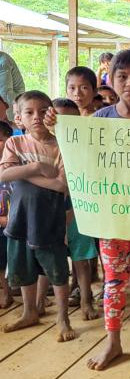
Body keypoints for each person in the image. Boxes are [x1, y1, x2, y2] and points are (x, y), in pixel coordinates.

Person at [44, 50, 130, 370]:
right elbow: (84, 159)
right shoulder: (101, 120)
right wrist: (59, 131)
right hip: (112, 217)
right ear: (110, 80)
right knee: (114, 281)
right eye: (122, 77)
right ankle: (114, 342)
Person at [0, 91, 72, 341]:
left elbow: (63, 185)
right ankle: (29, 312)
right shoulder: (15, 143)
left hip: (50, 220)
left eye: (43, 111)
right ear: (18, 118)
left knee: (57, 272)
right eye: (29, 112)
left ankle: (63, 317)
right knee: (23, 269)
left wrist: (23, 172)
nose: (37, 117)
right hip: (19, 219)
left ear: (52, 114)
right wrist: (36, 167)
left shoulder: (61, 146)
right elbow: (3, 175)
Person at [51, 98, 99, 321]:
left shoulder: (85, 148)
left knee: (81, 258)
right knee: (52, 255)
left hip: (80, 209)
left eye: (71, 120)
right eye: (59, 119)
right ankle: (45, 302)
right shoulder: (45, 147)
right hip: (52, 210)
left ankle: (86, 299)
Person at [0, 120, 15, 309]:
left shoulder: (15, 166)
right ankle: (6, 291)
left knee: (19, 256)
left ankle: (38, 295)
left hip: (16, 221)